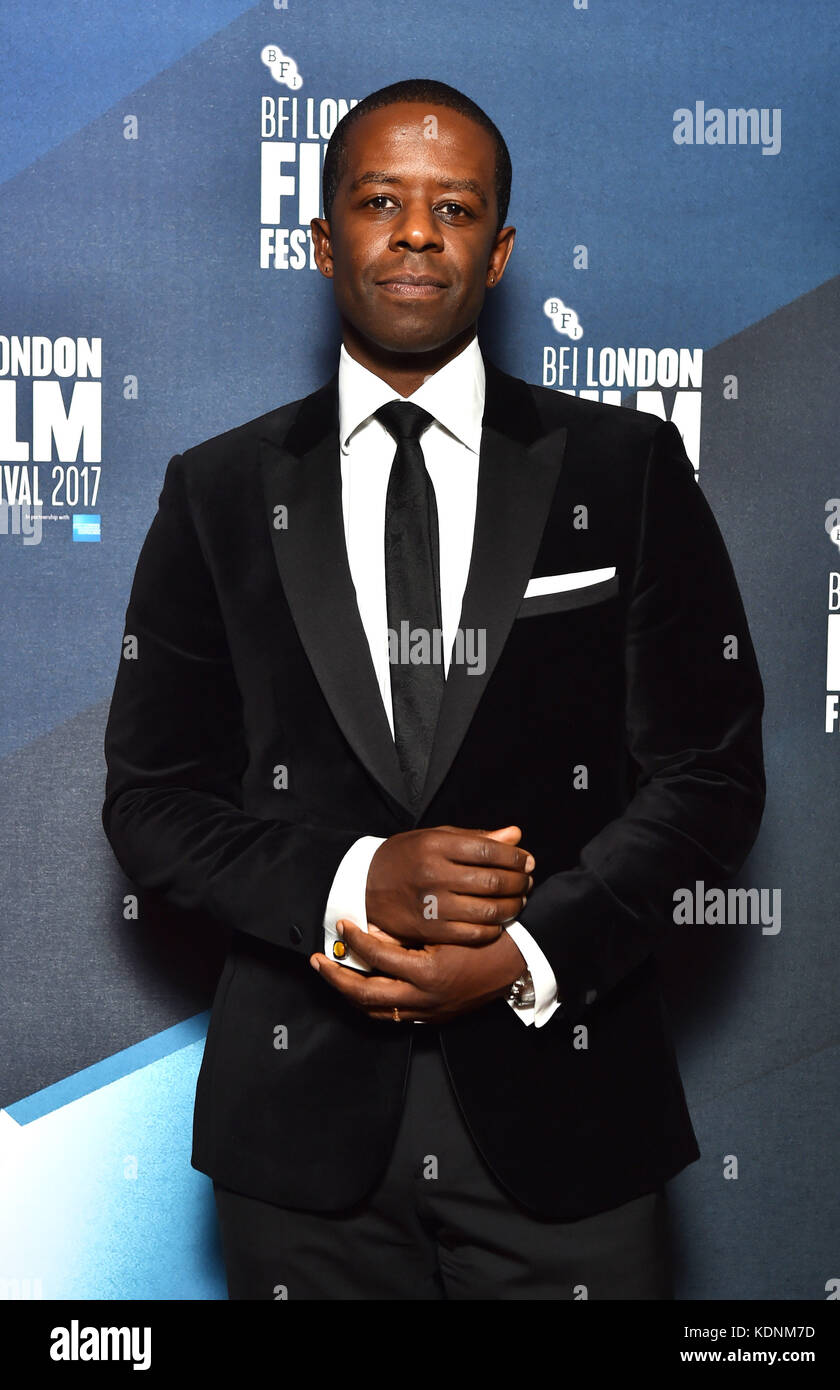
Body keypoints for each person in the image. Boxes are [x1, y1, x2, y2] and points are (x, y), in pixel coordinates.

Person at [101, 77, 766, 1300]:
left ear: (499, 250)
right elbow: (150, 803)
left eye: (453, 207)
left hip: (570, 1122)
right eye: (378, 201)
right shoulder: (217, 492)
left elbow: (710, 777)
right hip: (298, 1149)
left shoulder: (624, 468)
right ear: (322, 240)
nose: (416, 231)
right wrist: (359, 877)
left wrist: (520, 951)